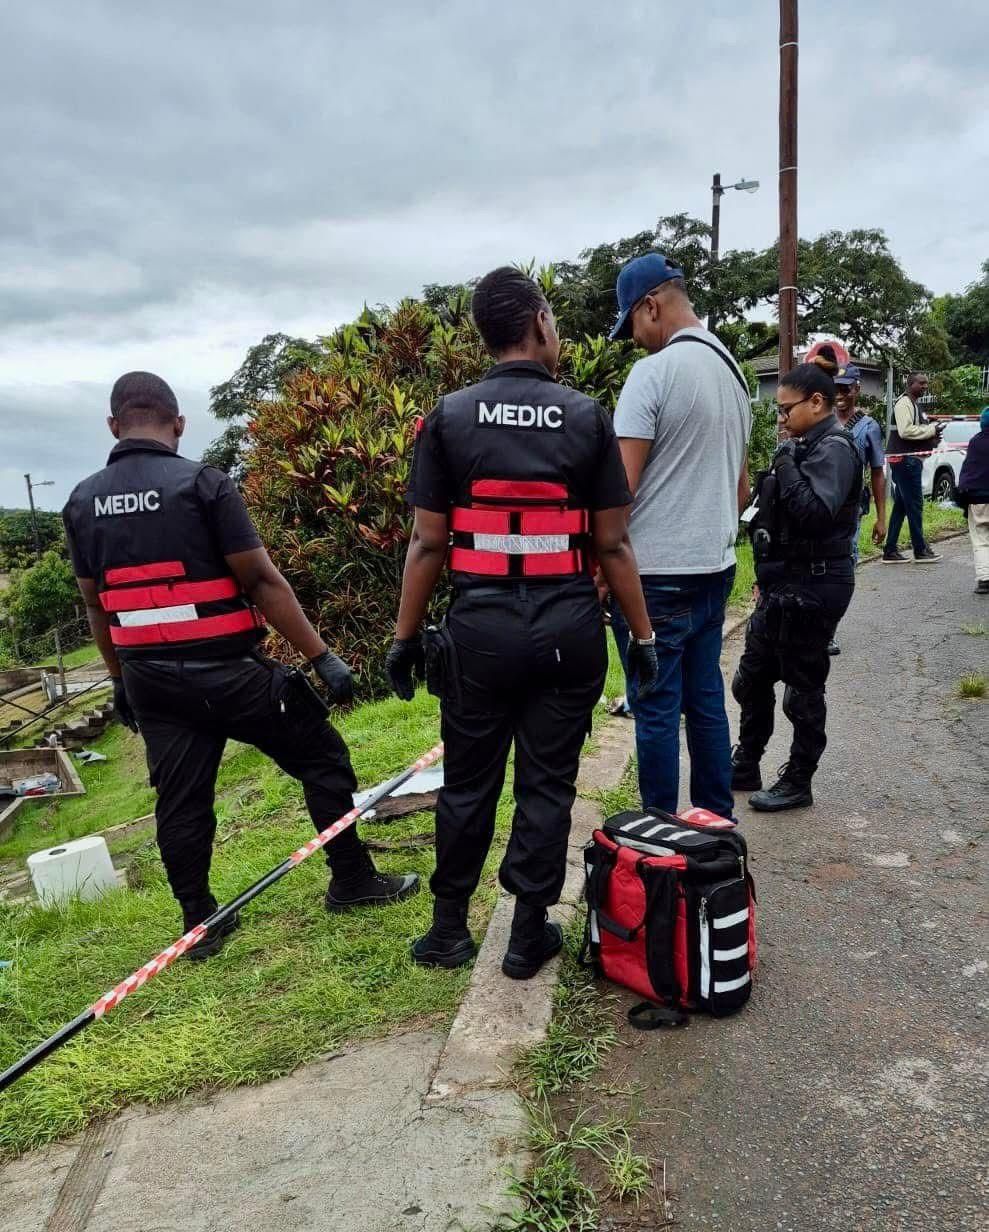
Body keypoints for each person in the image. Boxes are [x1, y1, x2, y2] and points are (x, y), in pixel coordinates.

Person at [62, 373, 418, 959]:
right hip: (228, 672)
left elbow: (95, 604)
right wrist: (321, 657)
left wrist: (118, 679)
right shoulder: (202, 483)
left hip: (151, 681)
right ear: (177, 424)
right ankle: (352, 879)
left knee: (181, 800)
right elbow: (259, 579)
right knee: (322, 756)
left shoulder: (81, 502)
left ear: (113, 426)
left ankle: (198, 923)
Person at [387, 267, 659, 980]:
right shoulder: (585, 416)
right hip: (567, 632)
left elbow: (426, 544)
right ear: (540, 322)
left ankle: (448, 929)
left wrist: (403, 640)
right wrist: (642, 634)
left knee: (468, 782)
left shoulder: (446, 416)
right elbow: (613, 545)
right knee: (546, 784)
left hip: (478, 635)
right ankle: (526, 932)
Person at [607, 252, 752, 821]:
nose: (636, 340)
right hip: (714, 568)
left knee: (657, 709)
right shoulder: (735, 375)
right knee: (706, 702)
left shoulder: (653, 374)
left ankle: (662, 839)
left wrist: (601, 571)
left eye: (634, 325)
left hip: (654, 579)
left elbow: (620, 495)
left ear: (652, 305)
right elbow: (740, 490)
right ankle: (717, 827)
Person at [731, 356, 862, 811]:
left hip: (816, 585)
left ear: (818, 402)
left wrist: (785, 465)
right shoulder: (802, 445)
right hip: (783, 583)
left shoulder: (835, 449)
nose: (782, 419)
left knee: (803, 689)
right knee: (752, 677)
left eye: (787, 410)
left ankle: (799, 779)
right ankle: (747, 761)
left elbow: (813, 514)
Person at [827, 360, 887, 655]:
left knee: (843, 567)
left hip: (850, 513)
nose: (840, 394)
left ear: (857, 390)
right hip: (819, 508)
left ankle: (829, 630)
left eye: (845, 389)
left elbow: (877, 472)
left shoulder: (868, 427)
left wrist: (881, 517)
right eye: (835, 388)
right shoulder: (820, 418)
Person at [882, 372, 943, 563]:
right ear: (910, 384)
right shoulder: (904, 403)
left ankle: (890, 550)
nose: (925, 386)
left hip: (908, 461)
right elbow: (906, 430)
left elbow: (917, 432)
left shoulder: (914, 404)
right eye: (921, 383)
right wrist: (931, 430)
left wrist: (932, 434)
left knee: (901, 506)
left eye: (926, 383)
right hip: (905, 462)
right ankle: (920, 549)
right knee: (915, 505)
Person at [957, 407, 989, 595]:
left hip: (977, 498)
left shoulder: (975, 442)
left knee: (981, 539)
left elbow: (967, 471)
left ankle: (985, 579)